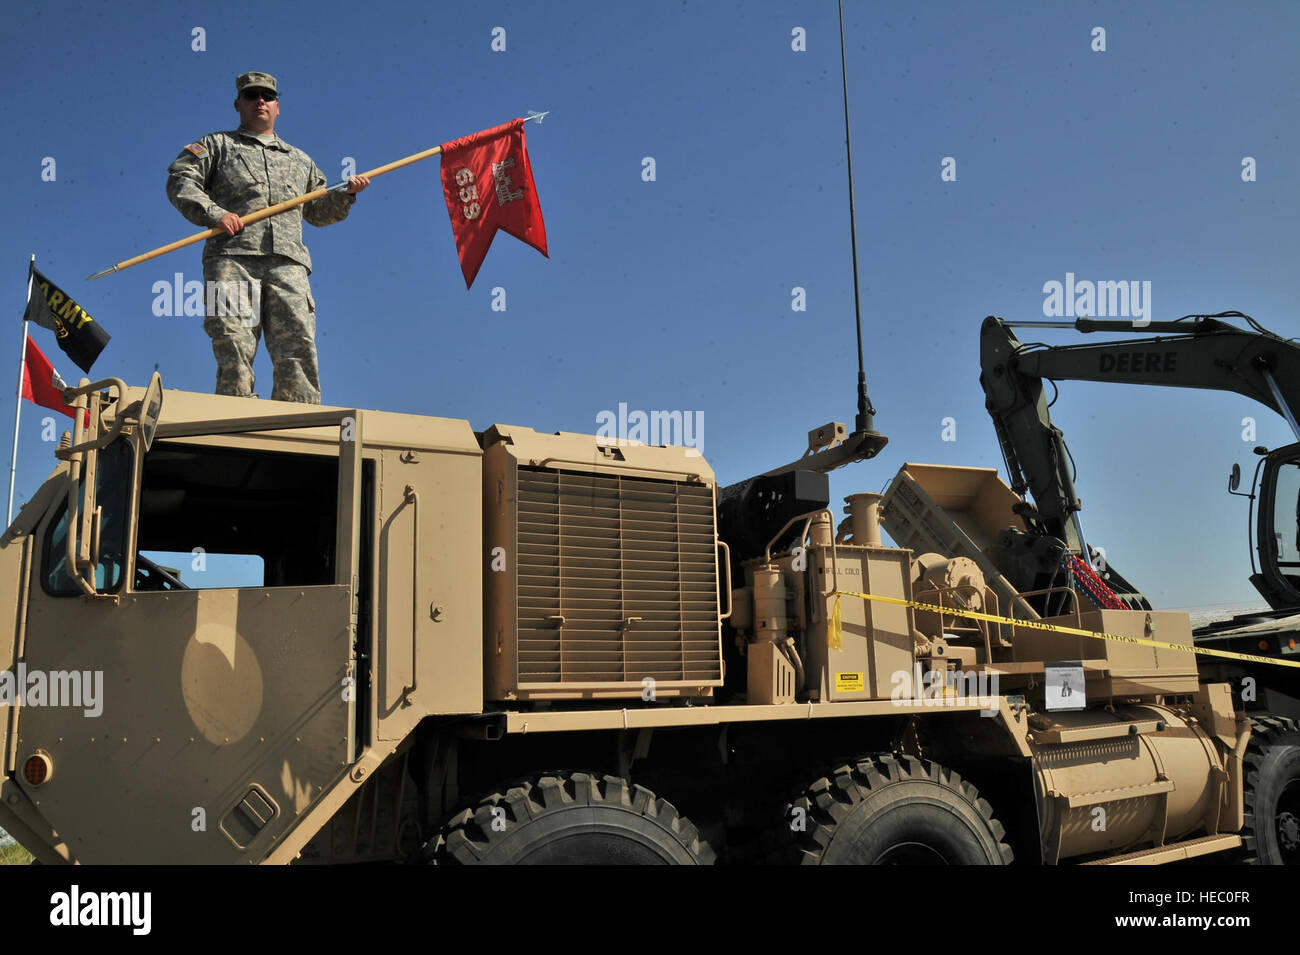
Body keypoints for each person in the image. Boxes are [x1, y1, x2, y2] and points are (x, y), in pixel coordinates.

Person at [166, 71, 369, 403]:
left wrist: (345, 196)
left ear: (277, 107)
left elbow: (318, 212)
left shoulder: (300, 160)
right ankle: (232, 418)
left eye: (267, 96)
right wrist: (215, 213)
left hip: (288, 264)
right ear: (238, 104)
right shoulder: (217, 145)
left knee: (298, 344)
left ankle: (299, 428)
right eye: (252, 96)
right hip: (230, 258)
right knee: (232, 339)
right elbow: (181, 180)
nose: (260, 101)